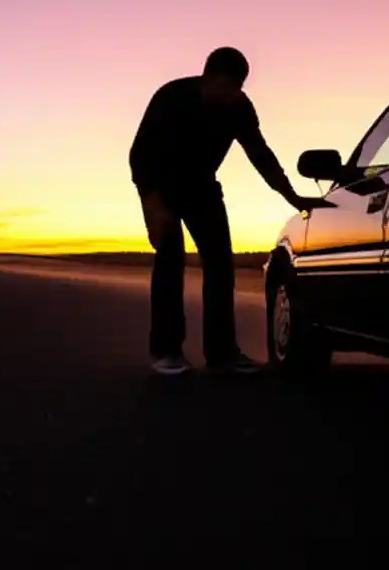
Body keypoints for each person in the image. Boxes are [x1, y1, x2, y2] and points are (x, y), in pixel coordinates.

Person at [129, 46, 334, 375]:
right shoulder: (171, 97)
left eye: (235, 89)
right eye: (223, 87)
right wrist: (152, 207)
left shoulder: (239, 108)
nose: (228, 96)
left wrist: (291, 196)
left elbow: (260, 154)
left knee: (221, 264)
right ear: (206, 77)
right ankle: (166, 351)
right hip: (160, 186)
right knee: (170, 258)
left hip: (202, 186)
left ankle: (222, 353)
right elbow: (139, 156)